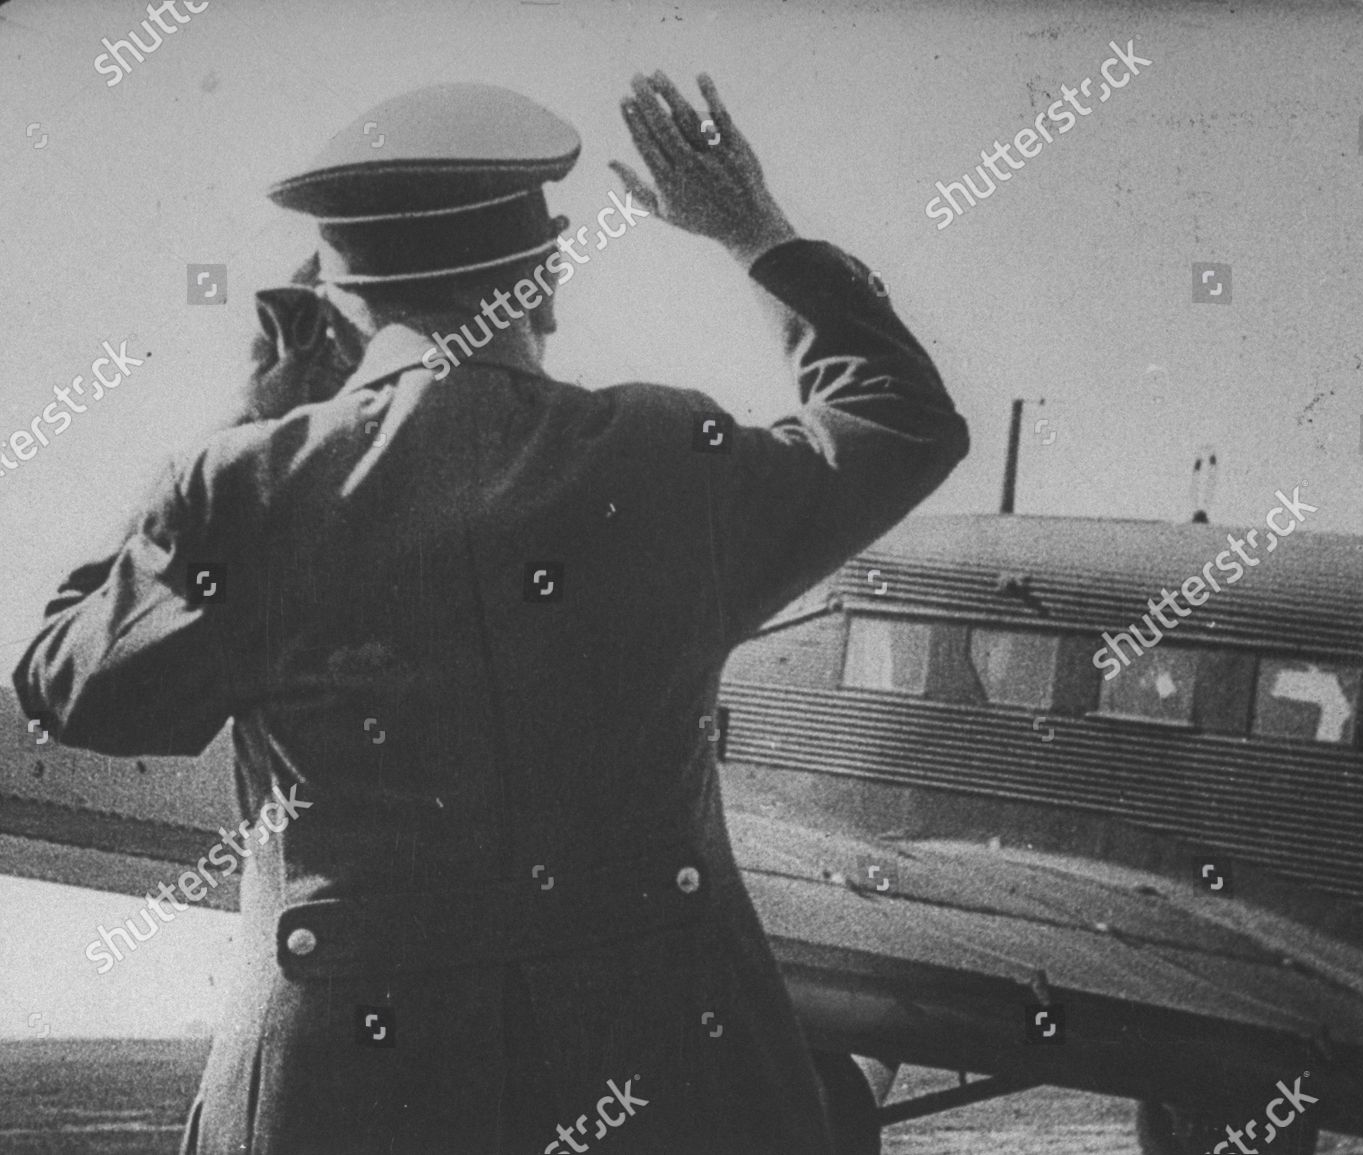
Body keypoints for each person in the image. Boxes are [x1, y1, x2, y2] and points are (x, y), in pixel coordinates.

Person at [13, 72, 968, 1153]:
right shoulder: (667, 460)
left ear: (342, 304)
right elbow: (900, 420)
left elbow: (73, 686)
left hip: (341, 1106)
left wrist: (251, 423)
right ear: (546, 283)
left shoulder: (247, 490)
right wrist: (754, 233)